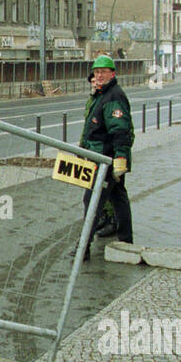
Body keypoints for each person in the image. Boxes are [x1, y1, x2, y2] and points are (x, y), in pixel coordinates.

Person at [77, 54, 134, 258]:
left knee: (92, 200)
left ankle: (83, 248)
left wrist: (120, 159)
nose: (99, 75)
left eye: (103, 72)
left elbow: (120, 129)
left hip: (106, 160)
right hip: (100, 158)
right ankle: (126, 240)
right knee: (118, 197)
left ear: (113, 73)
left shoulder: (113, 97)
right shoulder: (102, 95)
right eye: (96, 72)